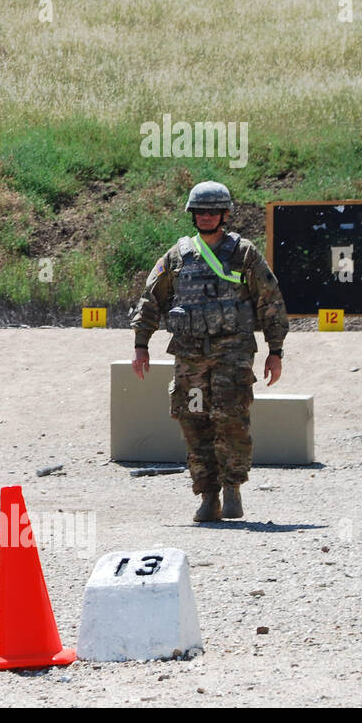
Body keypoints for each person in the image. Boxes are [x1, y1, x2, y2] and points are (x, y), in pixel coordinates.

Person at [129, 181, 288, 522]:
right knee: (194, 421)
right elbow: (150, 300)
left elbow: (270, 302)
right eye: (200, 212)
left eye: (213, 211)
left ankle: (233, 489)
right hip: (190, 358)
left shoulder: (244, 254)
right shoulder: (177, 256)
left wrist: (276, 350)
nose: (206, 217)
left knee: (231, 419)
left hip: (233, 354)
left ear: (225, 215)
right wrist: (140, 345)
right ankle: (207, 494)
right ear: (192, 215)